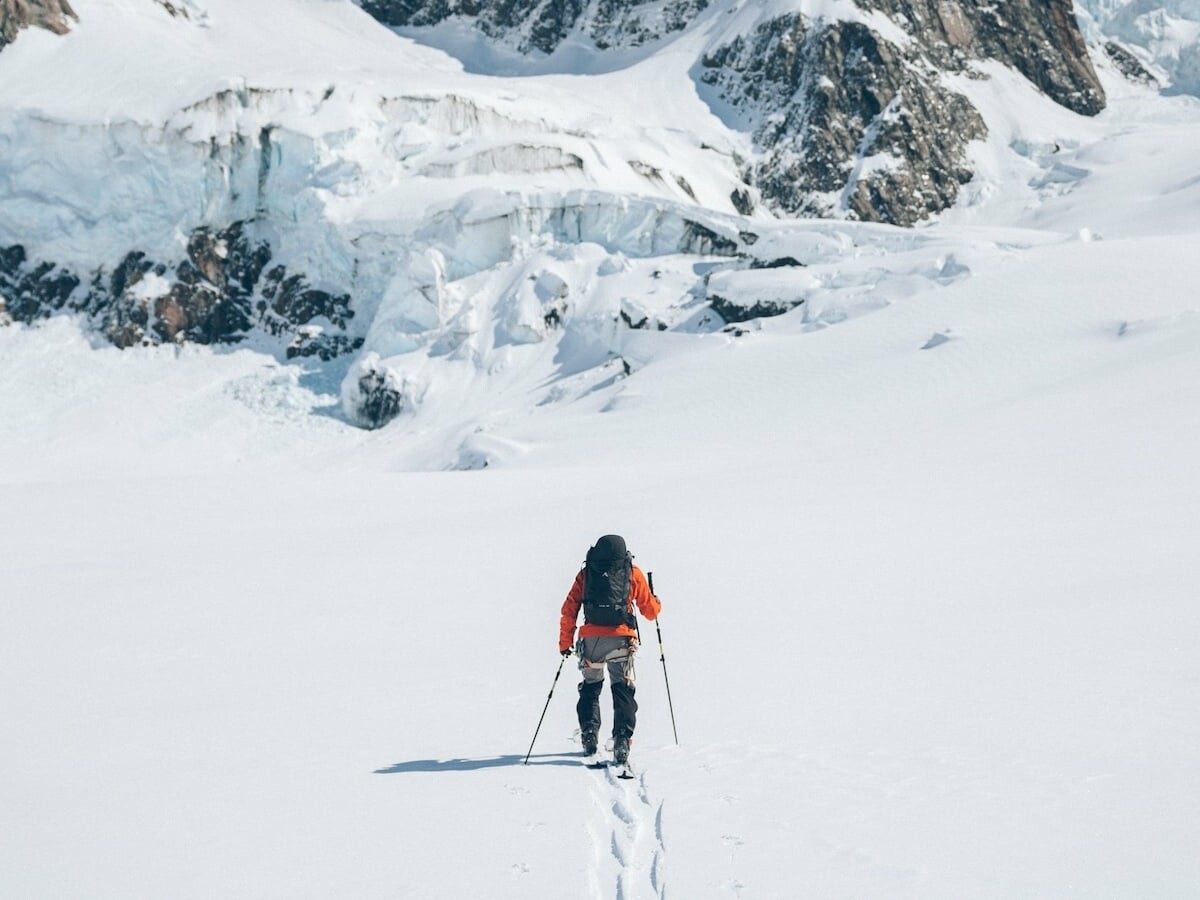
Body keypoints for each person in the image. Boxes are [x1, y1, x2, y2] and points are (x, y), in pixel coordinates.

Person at [559, 534, 661, 765]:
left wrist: (565, 643)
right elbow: (650, 611)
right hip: (621, 639)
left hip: (591, 639)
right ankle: (622, 739)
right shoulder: (631, 572)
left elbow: (569, 609)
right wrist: (657, 600)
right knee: (622, 688)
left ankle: (589, 733)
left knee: (591, 687)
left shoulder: (587, 573)